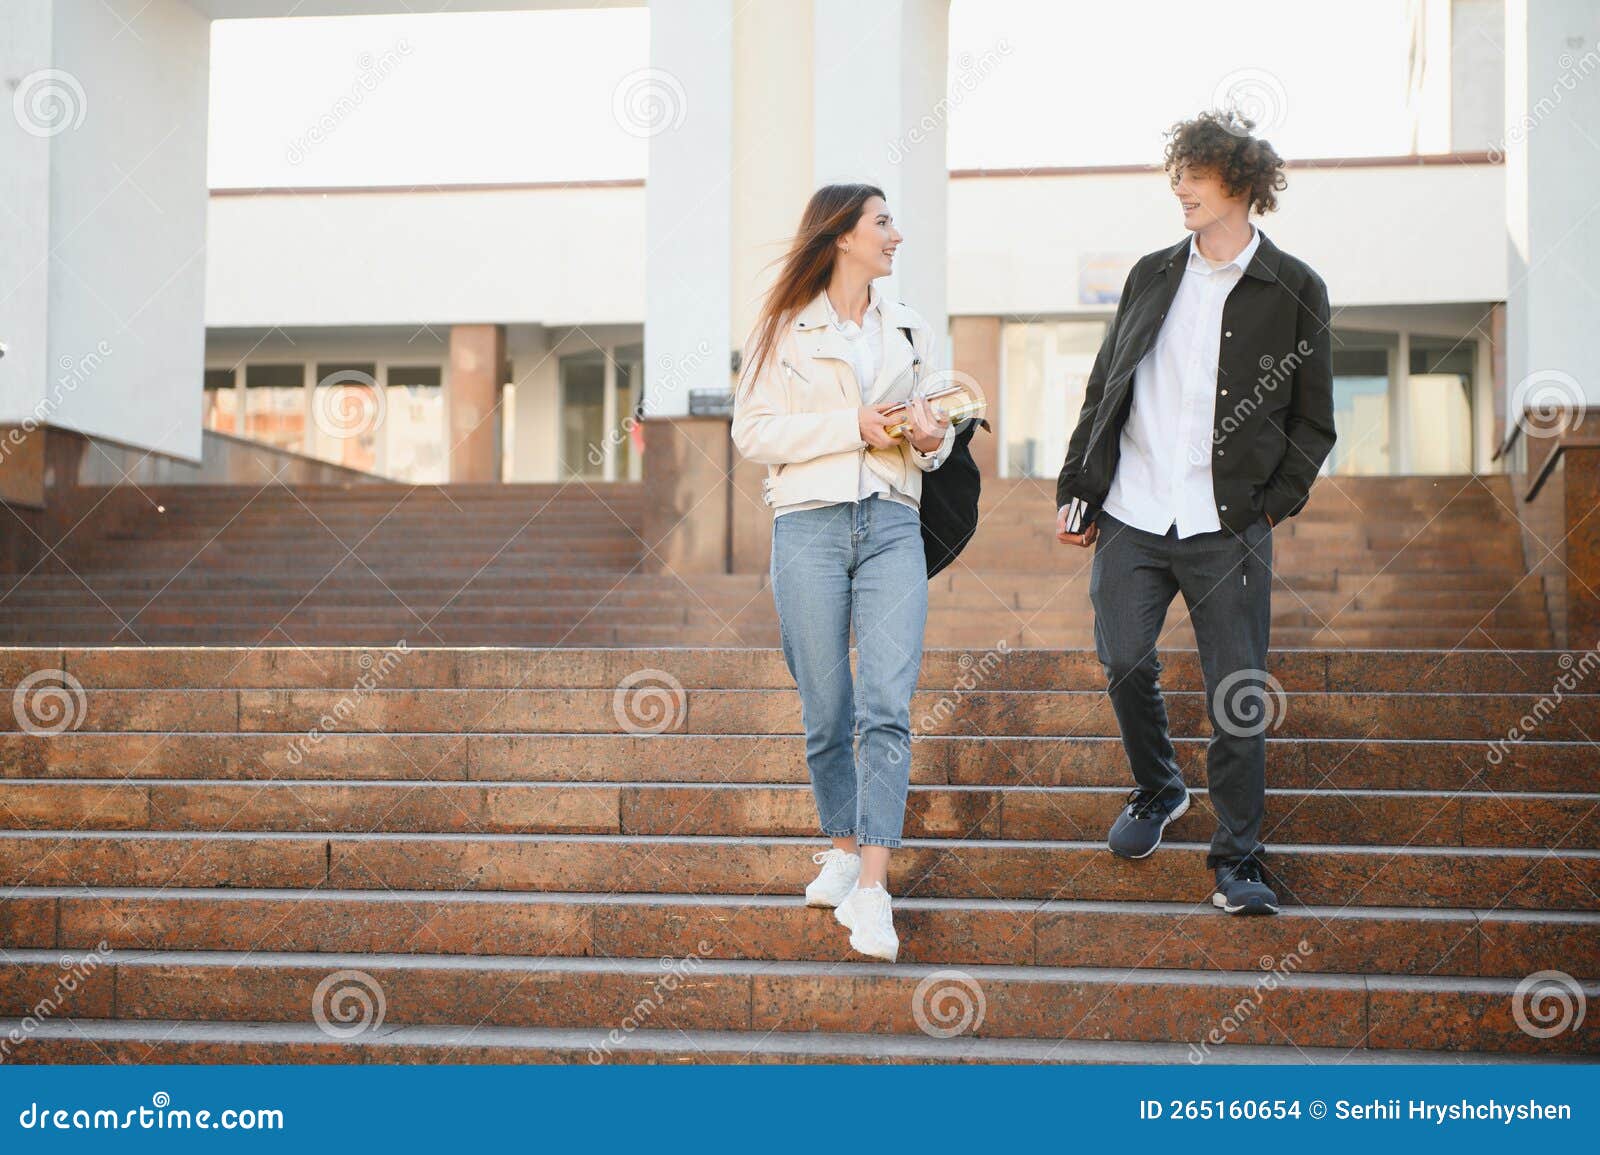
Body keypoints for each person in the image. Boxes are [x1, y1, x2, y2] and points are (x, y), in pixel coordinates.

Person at [1055, 111, 1336, 916]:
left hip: (1227, 525)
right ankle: (1159, 787)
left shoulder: (1295, 287)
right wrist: (1080, 484)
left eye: (1196, 175)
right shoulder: (1151, 274)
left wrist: (1267, 508)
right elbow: (1106, 386)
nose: (1180, 187)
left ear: (1241, 183)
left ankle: (1238, 860)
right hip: (1133, 511)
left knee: (1236, 695)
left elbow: (1314, 422)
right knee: (1123, 656)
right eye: (1177, 173)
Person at [732, 183, 955, 960]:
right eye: (882, 222)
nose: (896, 234)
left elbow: (937, 436)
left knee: (886, 704)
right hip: (809, 523)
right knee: (827, 706)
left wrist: (931, 439)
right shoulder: (783, 327)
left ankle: (872, 888)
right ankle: (842, 843)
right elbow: (753, 433)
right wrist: (850, 426)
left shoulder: (911, 327)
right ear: (842, 236)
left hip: (893, 520)